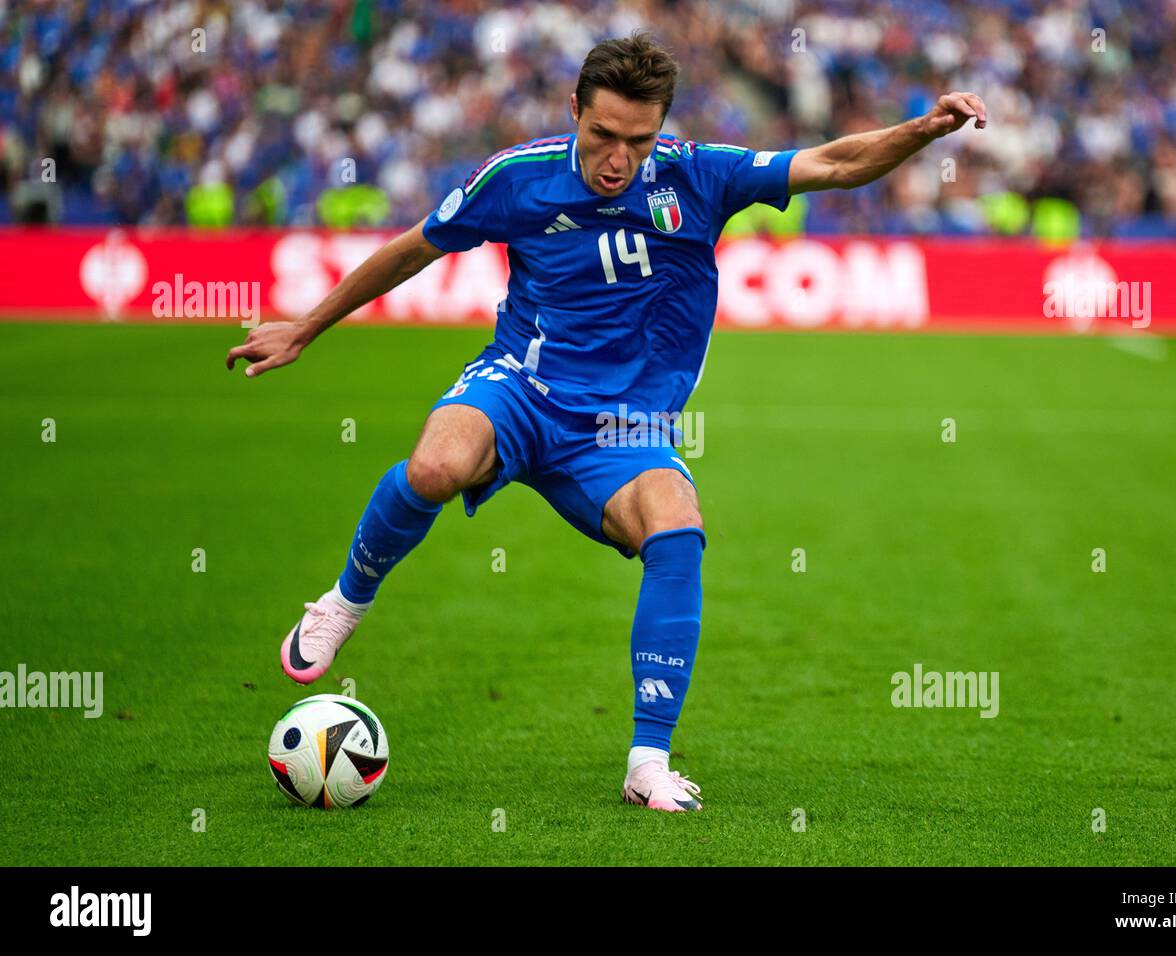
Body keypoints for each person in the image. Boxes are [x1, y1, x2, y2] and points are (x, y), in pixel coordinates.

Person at [226, 31, 986, 813]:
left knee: (677, 528)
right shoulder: (517, 179)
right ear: (575, 113)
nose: (618, 157)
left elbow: (829, 164)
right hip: (520, 387)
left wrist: (920, 131)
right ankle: (344, 603)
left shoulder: (698, 176)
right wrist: (305, 327)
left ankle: (647, 762)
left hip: (622, 430)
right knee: (433, 467)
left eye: (638, 139)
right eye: (602, 136)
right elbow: (414, 250)